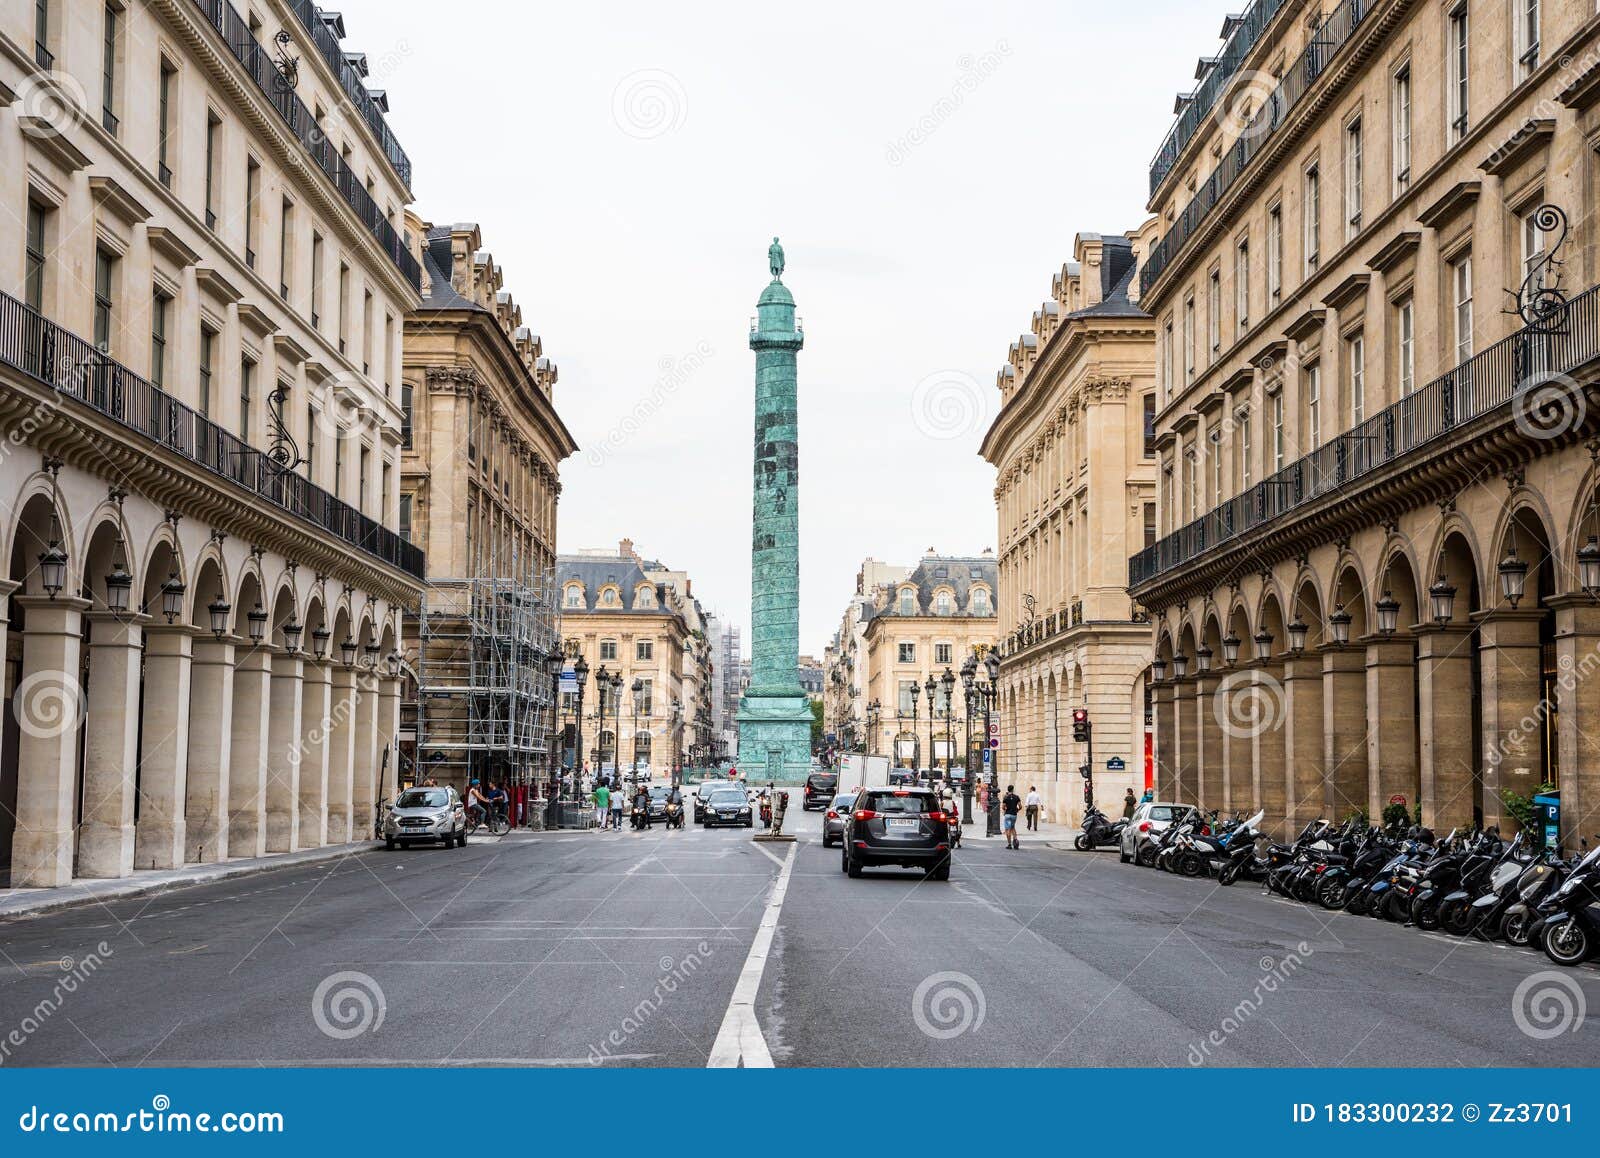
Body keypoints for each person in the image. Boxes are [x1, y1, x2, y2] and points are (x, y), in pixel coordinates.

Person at [1001, 784, 1022, 849]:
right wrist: (1017, 810)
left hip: (1007, 815)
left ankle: (1009, 844)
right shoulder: (1017, 797)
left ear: (1008, 789)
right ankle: (1015, 839)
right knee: (1013, 828)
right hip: (1014, 815)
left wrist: (1005, 810)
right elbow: (1020, 806)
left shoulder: (1006, 797)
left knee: (1008, 830)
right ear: (1013, 789)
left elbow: (1003, 807)